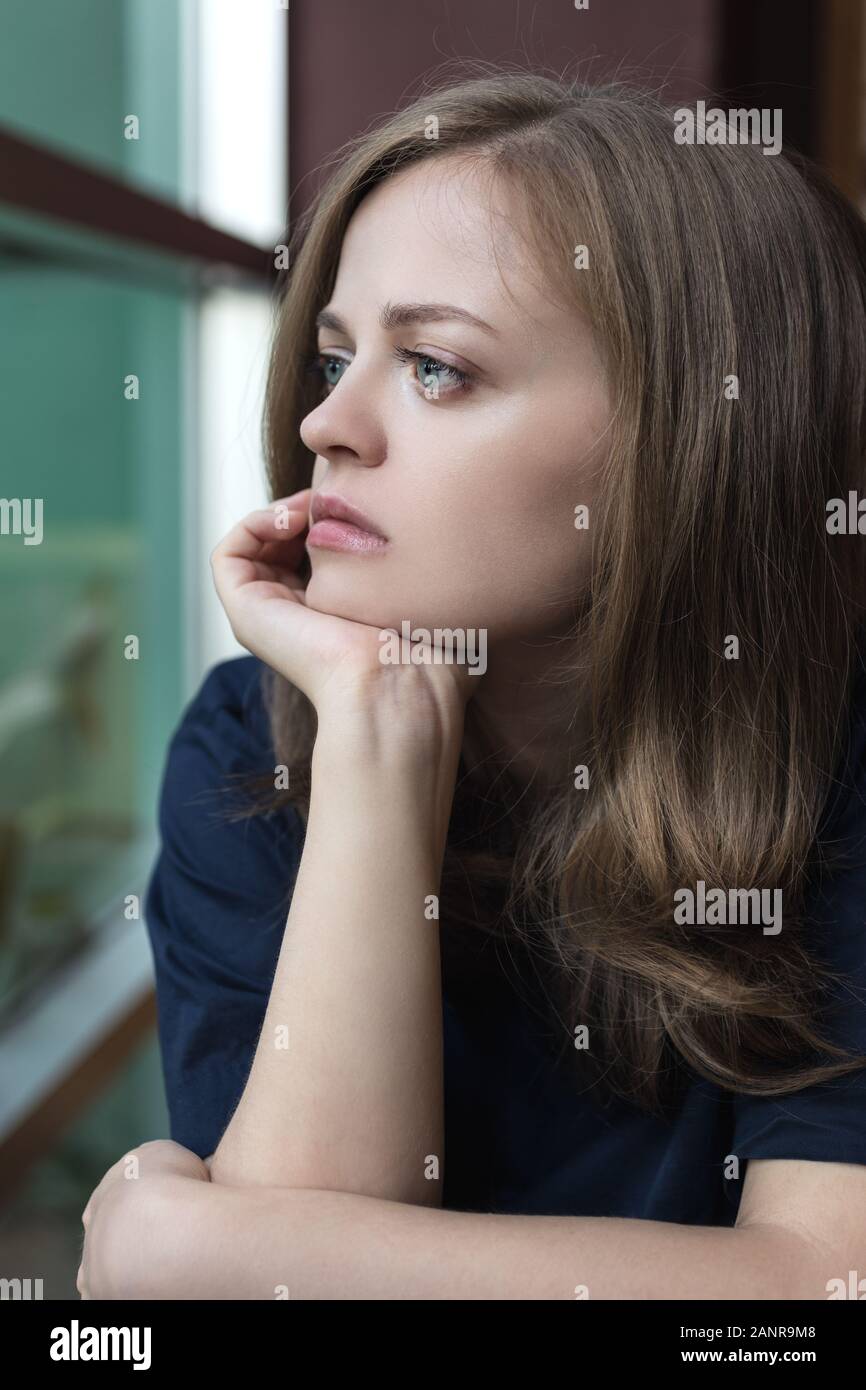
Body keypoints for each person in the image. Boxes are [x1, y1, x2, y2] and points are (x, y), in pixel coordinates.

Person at [78, 68, 866, 1300]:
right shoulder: (248, 747)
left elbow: (821, 1296)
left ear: (692, 441)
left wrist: (183, 1251)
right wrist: (381, 743)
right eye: (336, 357)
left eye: (436, 368)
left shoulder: (840, 760)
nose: (327, 422)